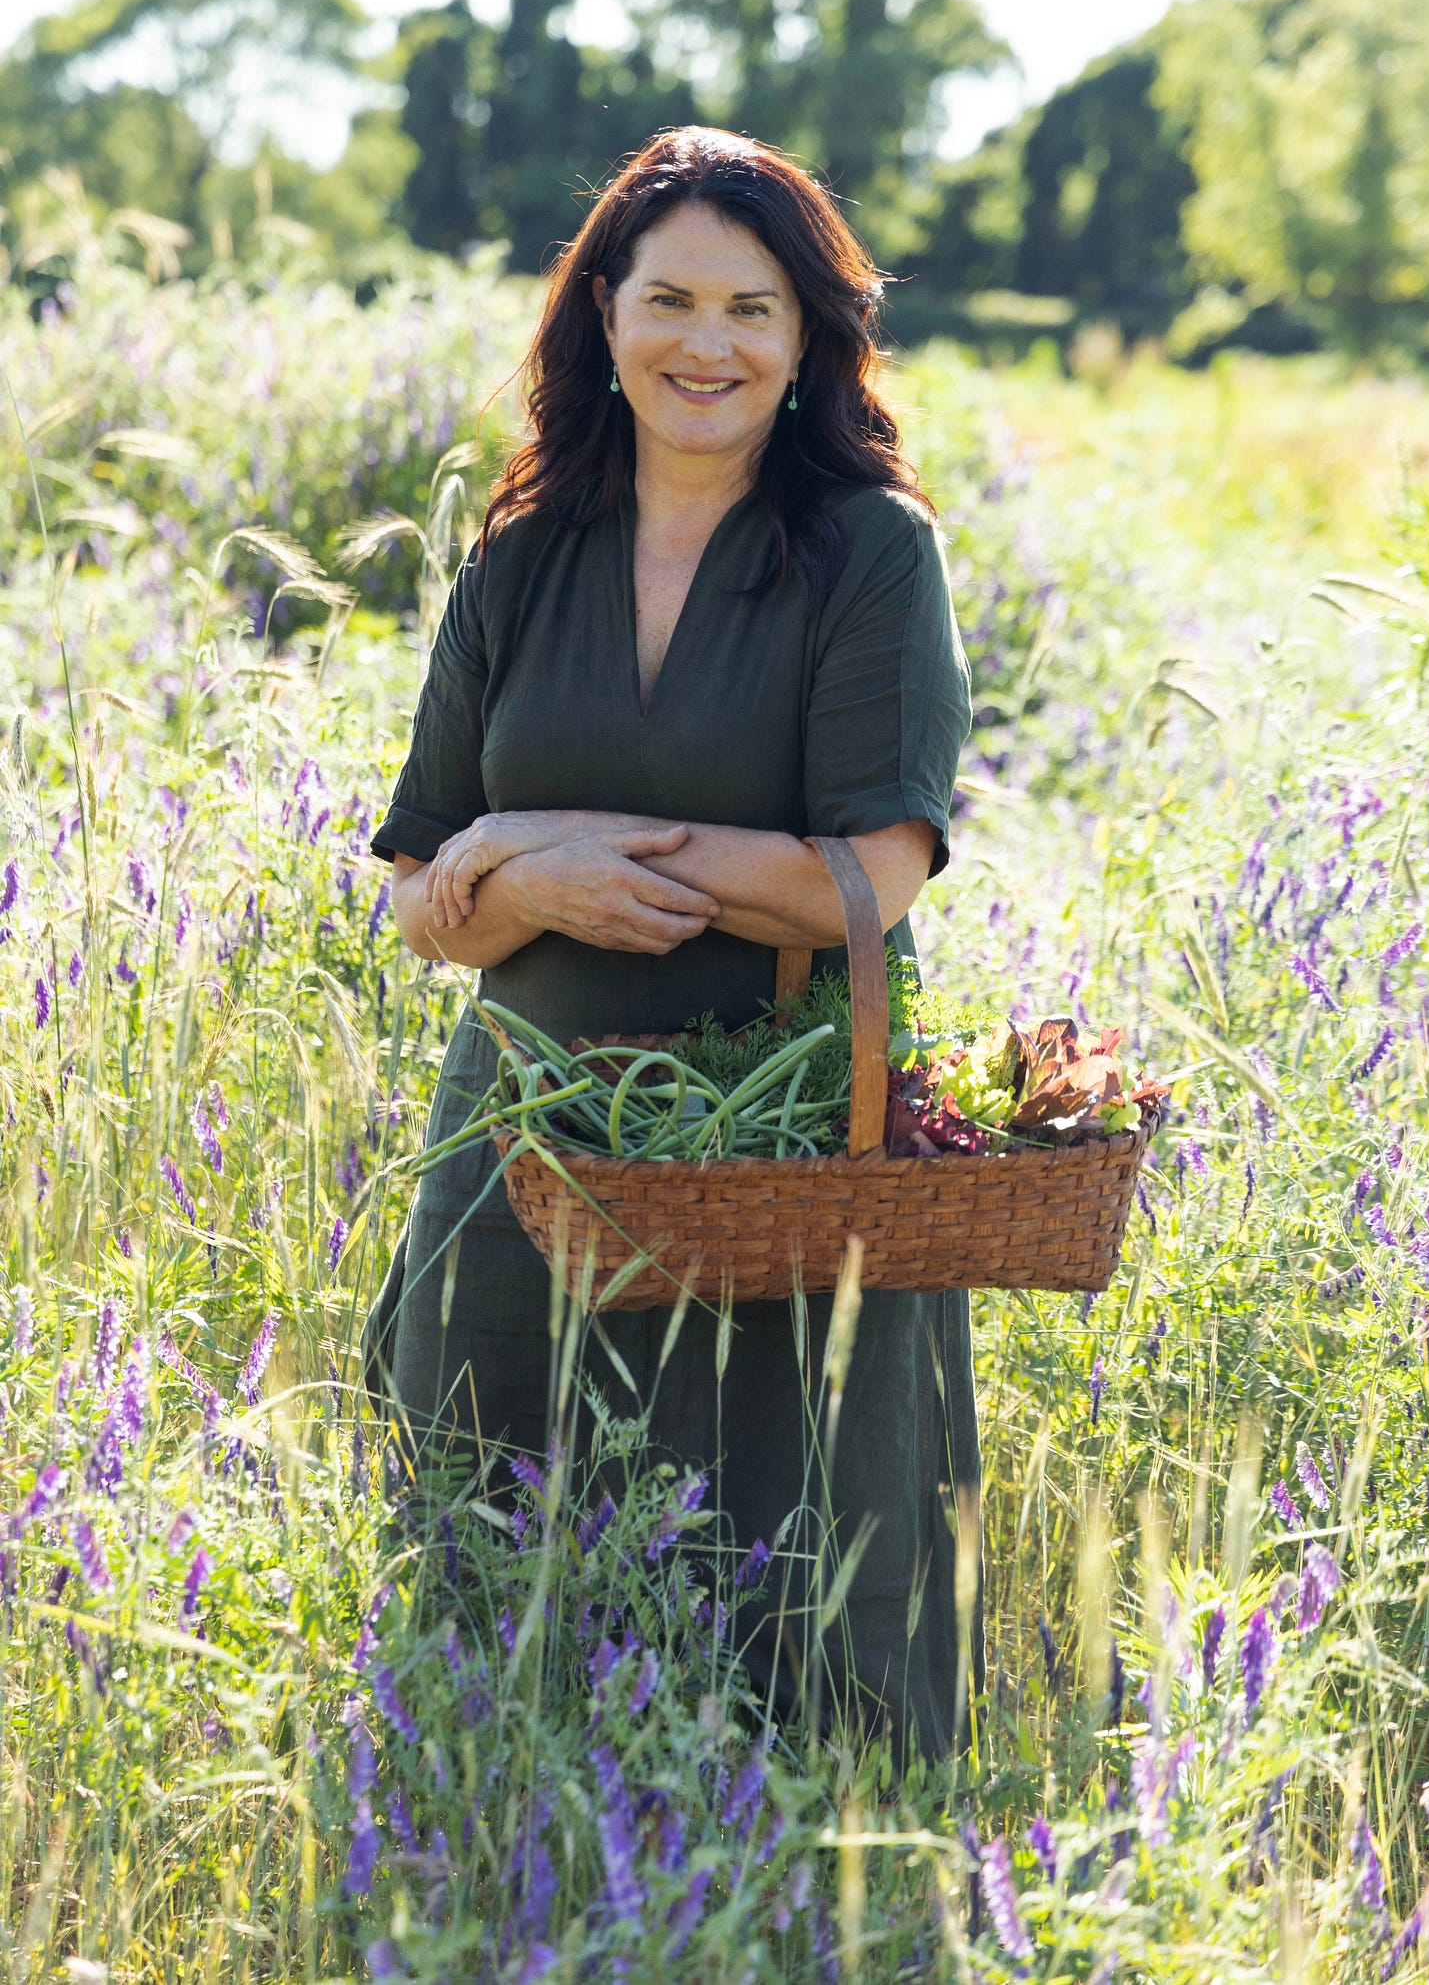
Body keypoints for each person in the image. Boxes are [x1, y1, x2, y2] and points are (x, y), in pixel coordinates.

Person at [364, 125, 981, 1767]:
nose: (706, 343)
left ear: (809, 343)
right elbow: (419, 878)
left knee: (780, 1588)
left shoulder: (870, 551)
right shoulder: (521, 550)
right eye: (671, 300)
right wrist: (514, 879)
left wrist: (553, 847)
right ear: (605, 321)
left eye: (755, 308)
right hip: (521, 1145)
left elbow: (873, 877)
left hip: (771, 1141)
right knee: (497, 1569)